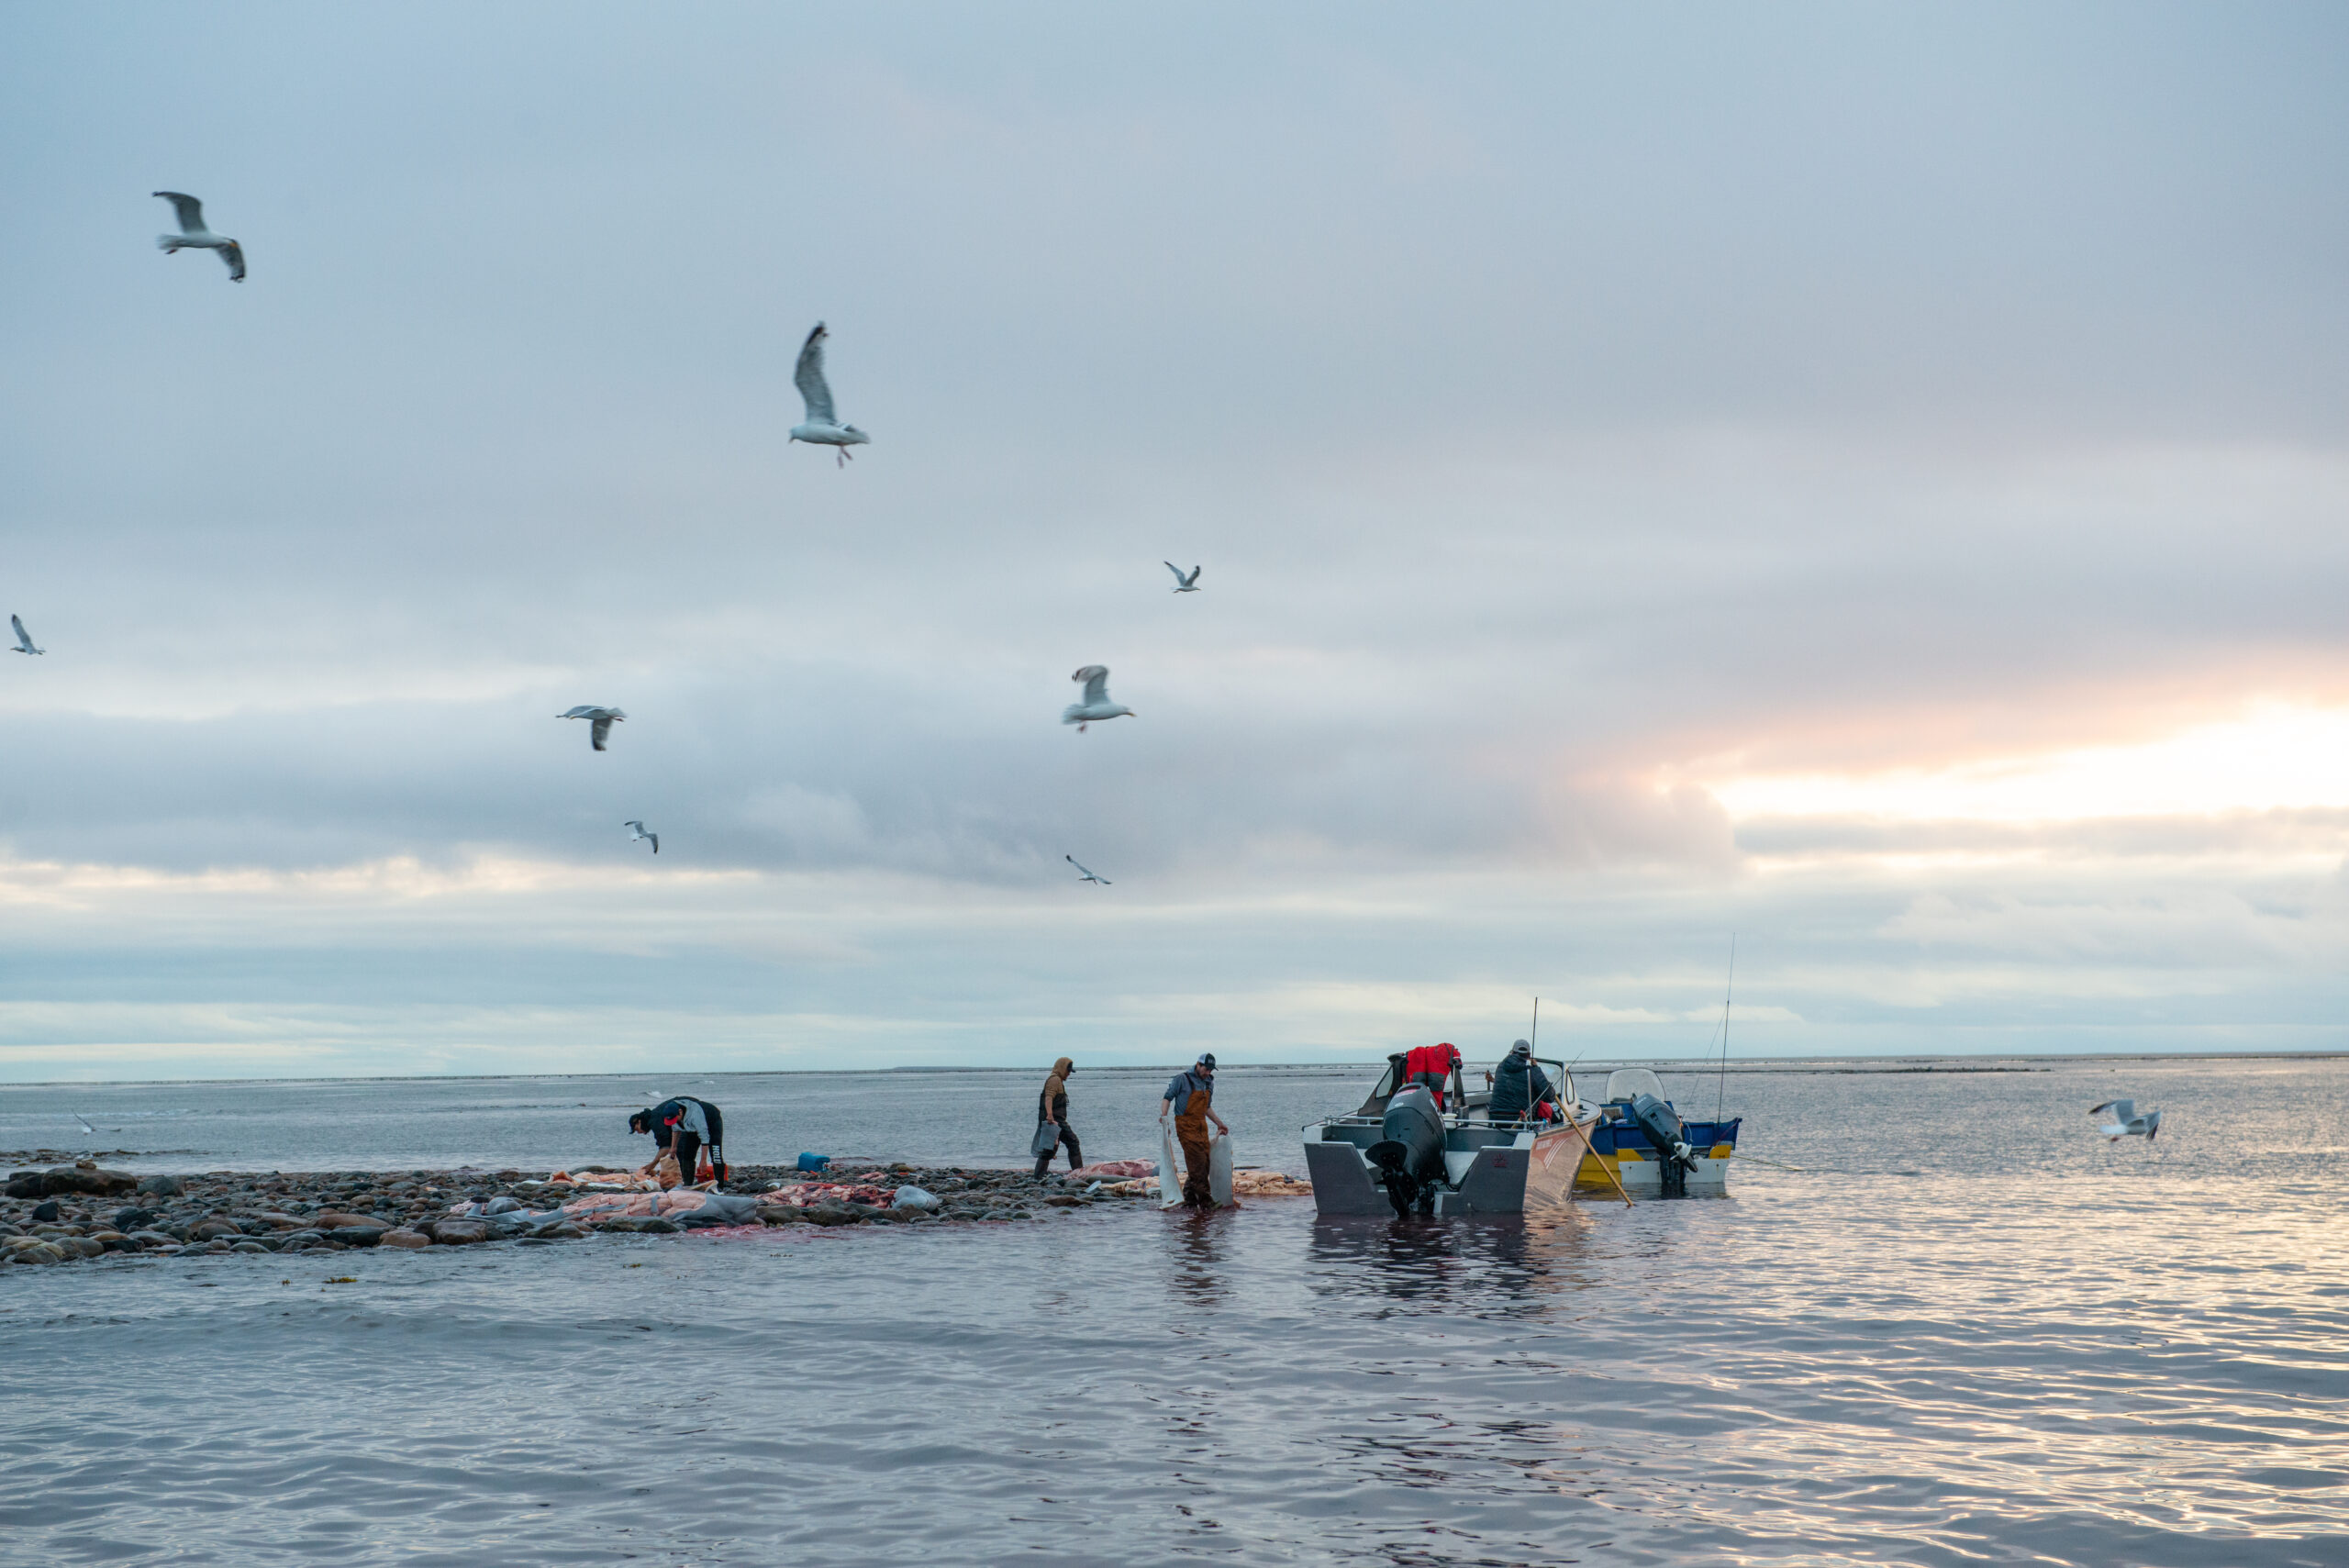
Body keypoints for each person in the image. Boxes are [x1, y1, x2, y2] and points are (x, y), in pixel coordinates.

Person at [1160, 1053, 1230, 1208]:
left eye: (1211, 1070)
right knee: (1197, 1163)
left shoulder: (1209, 1083)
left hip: (1201, 1125)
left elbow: (1206, 1107)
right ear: (1198, 1064)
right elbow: (1167, 1097)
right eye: (1206, 1069)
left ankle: (1190, 1199)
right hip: (1185, 1125)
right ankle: (1206, 1202)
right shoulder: (1182, 1079)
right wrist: (1164, 1118)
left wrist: (1219, 1123)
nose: (1208, 1073)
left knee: (1205, 1162)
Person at [629, 1095, 727, 1186]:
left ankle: (720, 1186)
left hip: (711, 1120)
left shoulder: (656, 1121)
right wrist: (673, 1147)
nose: (638, 1132)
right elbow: (675, 1131)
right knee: (686, 1154)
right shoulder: (668, 1117)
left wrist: (703, 1160)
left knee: (716, 1154)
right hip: (688, 1122)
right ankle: (687, 1184)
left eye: (636, 1129)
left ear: (639, 1121)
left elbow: (704, 1138)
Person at [1486, 1040, 1560, 1125]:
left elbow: (1512, 1083)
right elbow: (1550, 1097)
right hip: (1520, 1120)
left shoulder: (1500, 1067)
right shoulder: (1531, 1070)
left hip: (1495, 1118)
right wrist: (1536, 1068)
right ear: (1529, 1056)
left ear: (1512, 1052)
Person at [1033, 1056, 1083, 1177]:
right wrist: (1050, 1115)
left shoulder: (1057, 1080)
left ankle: (1039, 1176)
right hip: (1055, 1120)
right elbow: (1049, 1097)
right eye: (1068, 1071)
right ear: (1061, 1068)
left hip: (1054, 1119)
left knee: (1049, 1148)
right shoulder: (1054, 1080)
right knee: (1073, 1142)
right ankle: (1079, 1173)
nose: (1068, 1074)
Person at [1403, 1041, 1464, 1109]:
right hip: (1437, 1077)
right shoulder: (1447, 1047)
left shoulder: (1414, 1054)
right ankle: (1437, 1111)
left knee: (1417, 1093)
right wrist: (1458, 1062)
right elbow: (1457, 1061)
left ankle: (1419, 1109)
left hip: (1421, 1078)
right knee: (1436, 1094)